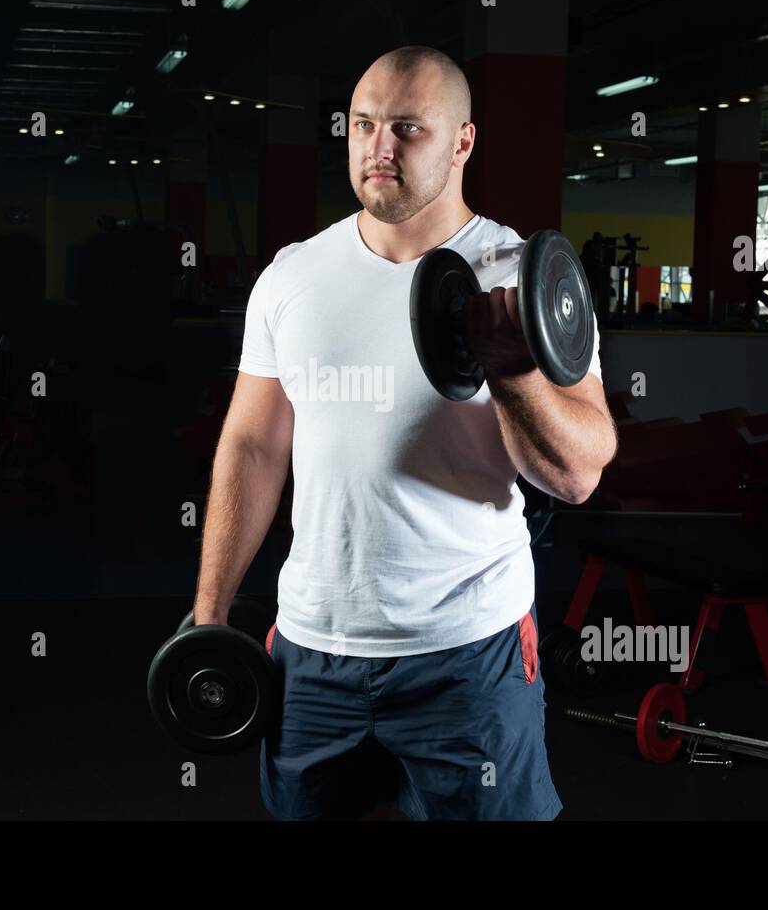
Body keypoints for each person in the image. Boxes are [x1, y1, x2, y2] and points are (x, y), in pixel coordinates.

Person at [194, 46, 617, 820]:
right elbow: (253, 447)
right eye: (363, 125)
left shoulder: (519, 274)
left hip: (468, 652)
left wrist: (513, 371)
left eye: (407, 129)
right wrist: (211, 612)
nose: (378, 148)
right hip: (312, 651)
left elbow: (581, 472)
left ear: (462, 143)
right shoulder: (292, 275)